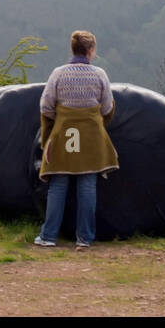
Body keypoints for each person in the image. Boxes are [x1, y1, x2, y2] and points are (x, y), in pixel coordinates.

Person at [34, 30, 118, 250]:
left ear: (73, 49)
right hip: (91, 138)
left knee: (58, 186)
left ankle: (49, 237)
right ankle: (84, 239)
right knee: (88, 186)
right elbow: (108, 107)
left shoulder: (58, 74)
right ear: (91, 50)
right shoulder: (99, 74)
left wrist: (60, 121)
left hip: (63, 136)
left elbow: (46, 106)